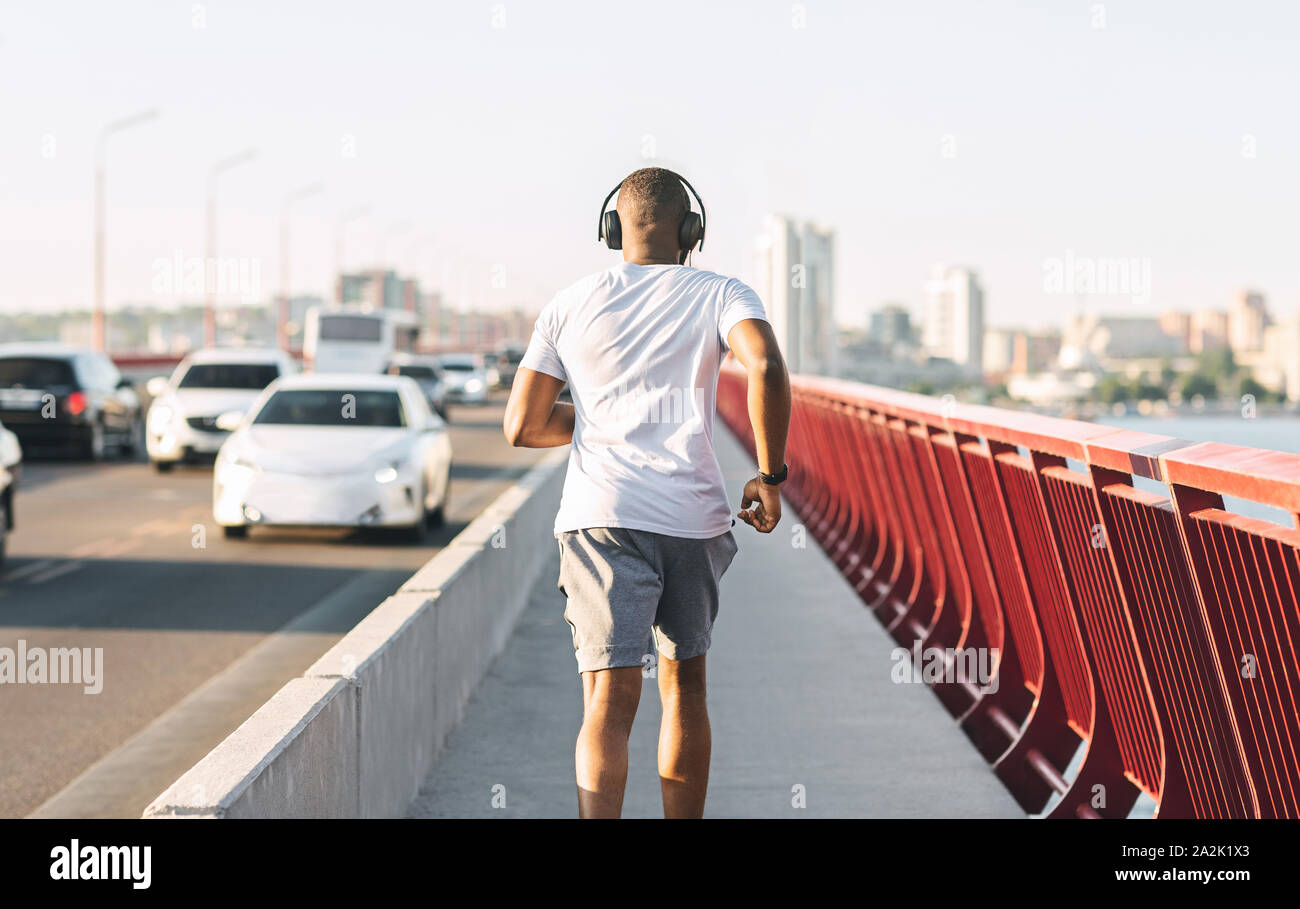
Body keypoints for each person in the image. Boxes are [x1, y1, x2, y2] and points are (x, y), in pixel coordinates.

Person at [503, 166, 791, 818]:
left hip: (600, 520)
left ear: (613, 229)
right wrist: (769, 476)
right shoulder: (721, 292)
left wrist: (599, 419)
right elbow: (767, 365)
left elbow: (522, 425)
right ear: (692, 231)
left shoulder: (569, 303)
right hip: (691, 520)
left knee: (608, 699)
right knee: (685, 686)